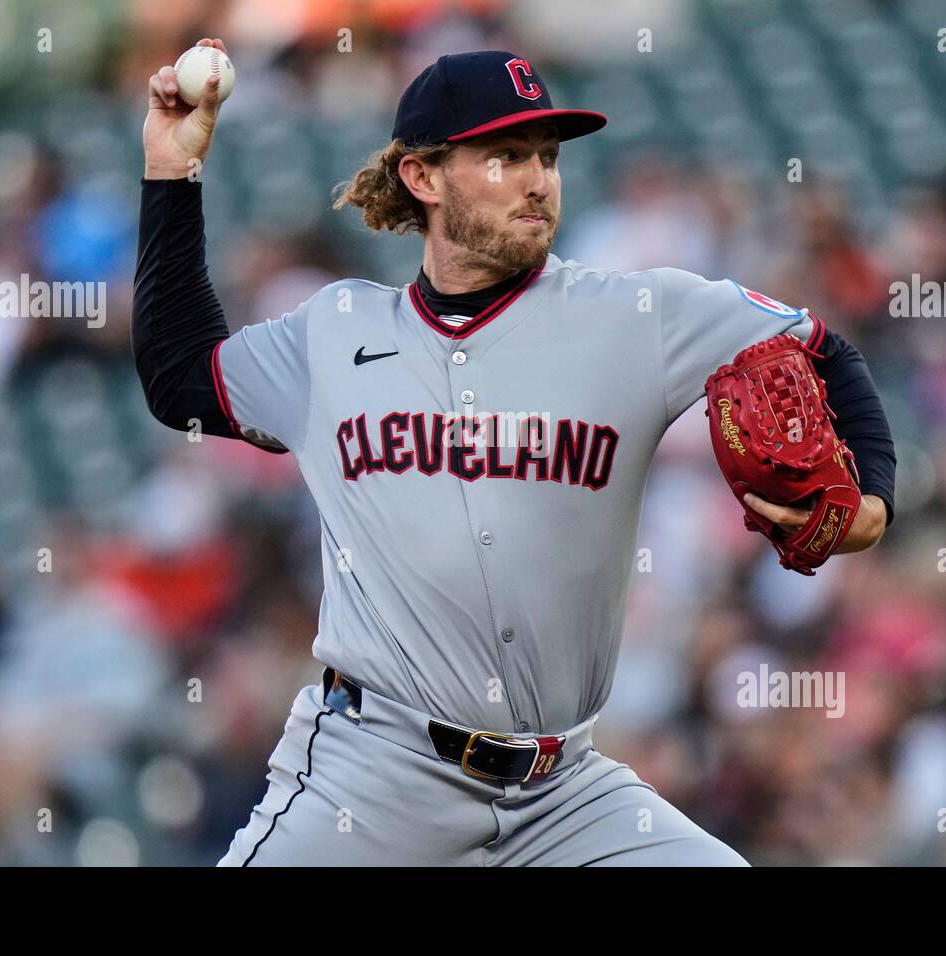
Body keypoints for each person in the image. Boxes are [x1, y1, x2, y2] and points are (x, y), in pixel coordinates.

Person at [133, 42, 896, 866]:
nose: (538, 179)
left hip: (563, 794)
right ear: (423, 177)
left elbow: (825, 351)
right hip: (371, 779)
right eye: (504, 156)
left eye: (547, 156)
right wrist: (171, 174)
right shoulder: (333, 332)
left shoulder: (637, 314)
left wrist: (874, 503)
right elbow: (181, 379)